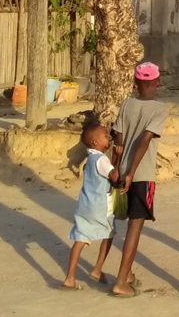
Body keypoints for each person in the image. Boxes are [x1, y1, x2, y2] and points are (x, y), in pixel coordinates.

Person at [110, 61, 170, 297]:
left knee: (123, 222)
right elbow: (145, 140)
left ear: (135, 83)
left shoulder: (127, 104)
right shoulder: (159, 109)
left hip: (122, 171)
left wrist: (118, 169)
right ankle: (121, 280)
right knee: (135, 225)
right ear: (157, 82)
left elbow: (119, 141)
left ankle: (128, 273)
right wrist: (133, 172)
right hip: (141, 175)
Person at [62, 123, 121, 290]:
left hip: (85, 205)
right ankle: (97, 268)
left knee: (80, 239)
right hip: (100, 206)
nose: (108, 138)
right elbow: (114, 177)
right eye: (104, 136)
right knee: (109, 234)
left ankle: (70, 277)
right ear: (95, 142)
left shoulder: (90, 159)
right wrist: (120, 157)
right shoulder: (101, 159)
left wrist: (114, 159)